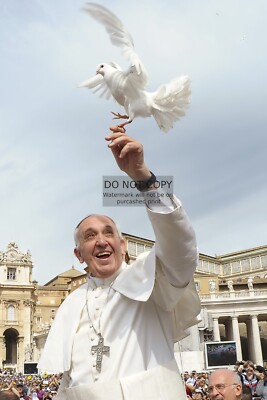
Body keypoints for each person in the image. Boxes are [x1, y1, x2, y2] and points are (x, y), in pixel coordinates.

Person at [38, 127, 201, 400]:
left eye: (108, 232)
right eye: (90, 237)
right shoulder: (72, 304)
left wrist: (142, 177)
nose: (101, 241)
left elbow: (181, 246)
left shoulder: (153, 278)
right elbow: (70, 381)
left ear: (122, 246)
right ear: (79, 255)